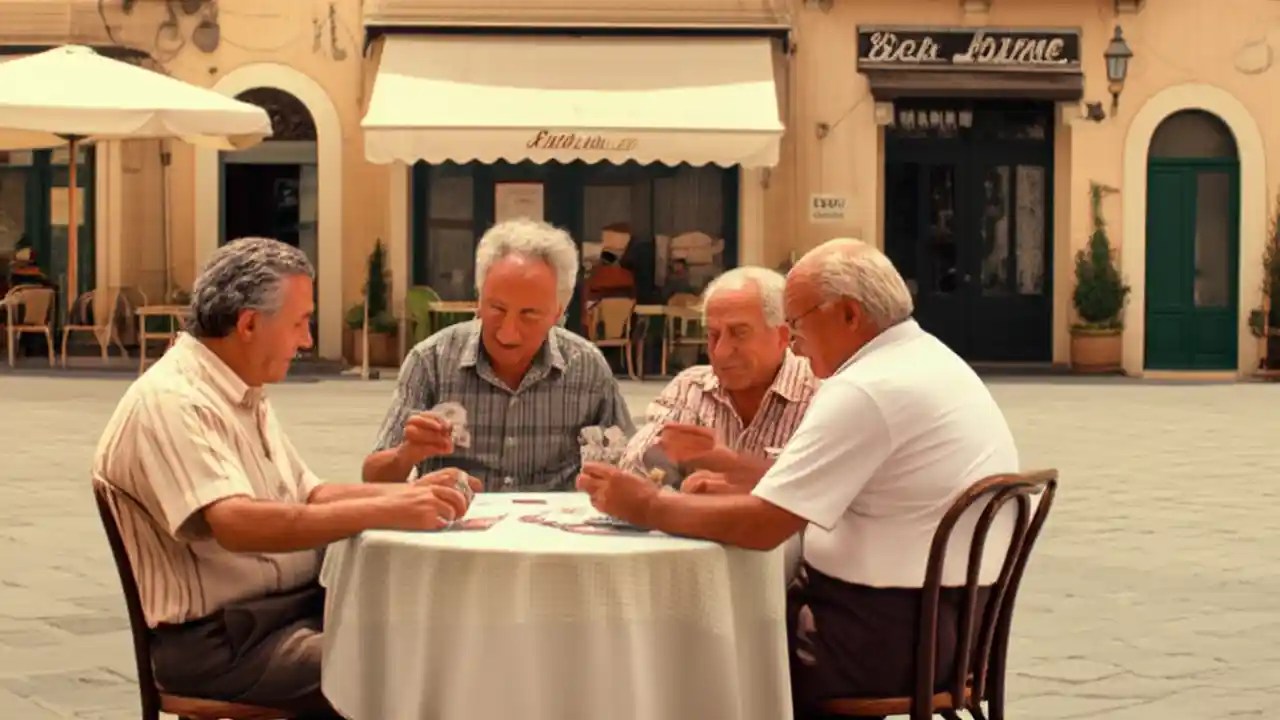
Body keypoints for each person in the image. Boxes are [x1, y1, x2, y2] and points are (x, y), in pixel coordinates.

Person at [576, 238, 1020, 717]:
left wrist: (645, 506)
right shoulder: (925, 360)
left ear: (849, 315)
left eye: (799, 321)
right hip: (958, 627)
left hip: (881, 638)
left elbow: (764, 526)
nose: (795, 338)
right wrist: (737, 474)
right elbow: (806, 487)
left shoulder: (866, 388)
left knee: (699, 643)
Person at [92, 237, 480, 719]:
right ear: (249, 324)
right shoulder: (171, 400)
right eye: (300, 322)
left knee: (452, 641)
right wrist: (391, 508)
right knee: (419, 669)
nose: (308, 341)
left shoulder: (235, 390)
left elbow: (310, 494)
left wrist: (409, 490)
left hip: (281, 615)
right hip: (224, 644)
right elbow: (235, 523)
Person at [364, 218, 635, 492]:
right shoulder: (431, 361)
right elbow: (373, 479)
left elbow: (633, 465)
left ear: (558, 313)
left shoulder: (587, 367)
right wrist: (406, 454)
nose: (508, 333)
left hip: (552, 532)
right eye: (497, 309)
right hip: (456, 529)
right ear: (478, 300)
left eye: (529, 315)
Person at [618, 266, 818, 491]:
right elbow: (634, 466)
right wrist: (674, 476)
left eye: (739, 333)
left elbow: (829, 493)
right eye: (713, 335)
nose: (721, 351)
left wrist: (738, 481)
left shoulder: (819, 395)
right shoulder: (691, 388)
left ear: (782, 337)